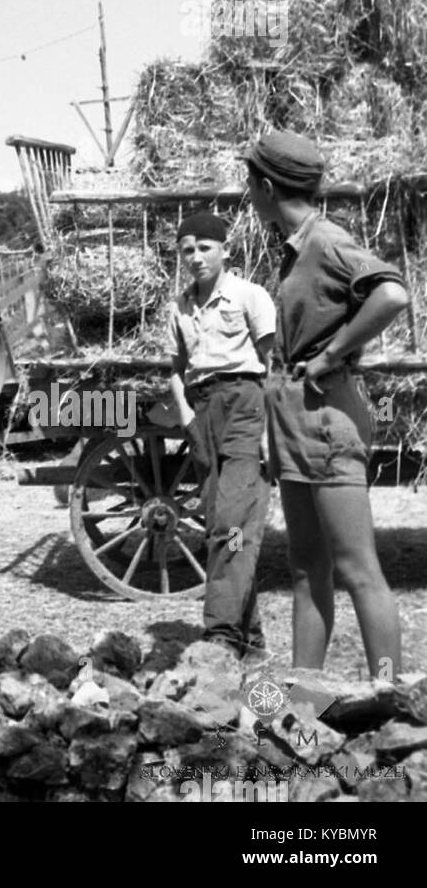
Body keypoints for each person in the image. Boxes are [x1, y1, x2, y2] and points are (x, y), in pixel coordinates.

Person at [244, 131, 408, 678]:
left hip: (327, 414)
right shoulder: (295, 245)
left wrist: (332, 353)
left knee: (356, 568)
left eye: (250, 183)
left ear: (267, 187)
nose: (248, 194)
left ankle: (393, 701)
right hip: (295, 415)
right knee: (305, 567)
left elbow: (392, 294)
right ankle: (300, 695)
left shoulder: (325, 241)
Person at [166, 210, 276, 659]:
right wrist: (186, 416)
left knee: (233, 522)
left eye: (204, 248)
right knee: (220, 526)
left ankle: (221, 636)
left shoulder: (249, 295)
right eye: (187, 251)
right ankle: (251, 640)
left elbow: (274, 364)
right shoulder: (180, 306)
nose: (195, 258)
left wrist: (270, 428)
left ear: (225, 250)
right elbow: (175, 369)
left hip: (246, 407)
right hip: (204, 412)